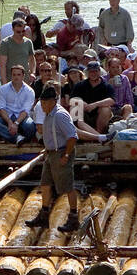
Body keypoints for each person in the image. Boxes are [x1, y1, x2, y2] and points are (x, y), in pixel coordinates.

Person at [24, 87, 82, 234]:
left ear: (52, 102)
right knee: (45, 184)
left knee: (67, 186)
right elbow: (51, 134)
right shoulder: (48, 114)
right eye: (41, 103)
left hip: (61, 152)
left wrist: (66, 155)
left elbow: (72, 136)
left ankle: (74, 218)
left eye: (44, 103)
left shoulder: (60, 115)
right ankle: (44, 215)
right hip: (51, 153)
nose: (42, 106)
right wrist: (47, 148)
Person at [0, 64, 37, 143]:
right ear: (11, 76)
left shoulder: (29, 91)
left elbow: (25, 111)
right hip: (7, 117)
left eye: (18, 74)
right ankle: (17, 138)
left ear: (23, 76)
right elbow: (1, 108)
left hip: (22, 118)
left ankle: (17, 139)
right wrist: (10, 122)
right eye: (14, 75)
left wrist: (16, 123)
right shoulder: (3, 89)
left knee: (30, 126)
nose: (16, 77)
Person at [70, 61, 117, 133]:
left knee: (106, 109)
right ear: (88, 72)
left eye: (95, 71)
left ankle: (99, 133)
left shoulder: (107, 86)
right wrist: (81, 103)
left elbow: (112, 100)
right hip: (83, 115)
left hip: (98, 116)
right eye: (91, 71)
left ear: (99, 71)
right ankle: (96, 136)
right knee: (74, 107)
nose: (93, 74)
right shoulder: (80, 85)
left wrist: (95, 105)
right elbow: (72, 99)